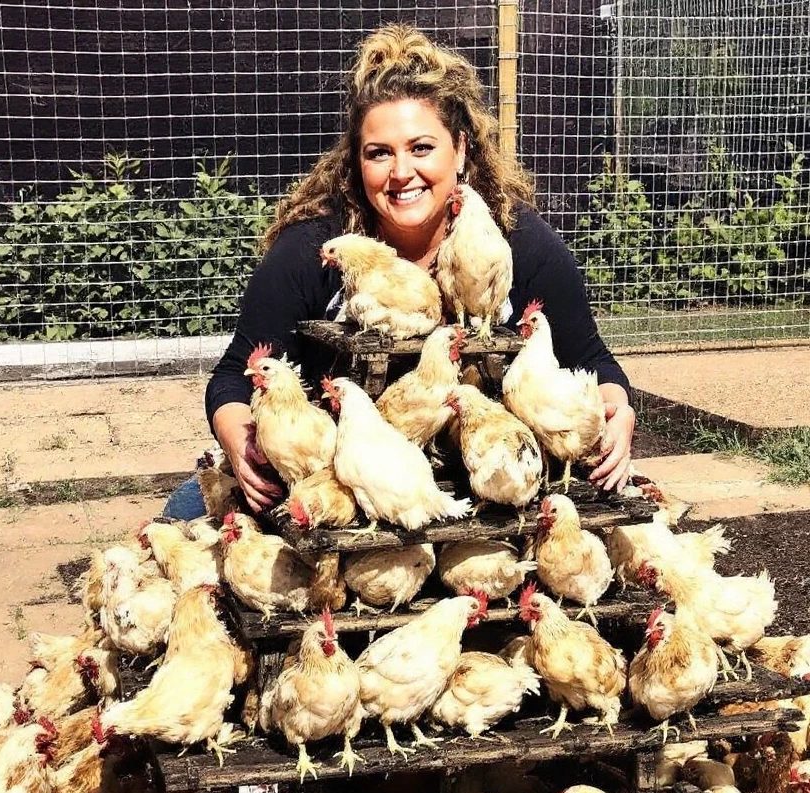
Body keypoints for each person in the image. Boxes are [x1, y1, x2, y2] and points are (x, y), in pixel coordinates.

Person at [164, 24, 635, 519]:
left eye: (421, 147)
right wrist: (242, 445)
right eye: (379, 153)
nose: (401, 172)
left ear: (461, 149)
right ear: (357, 162)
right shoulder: (314, 251)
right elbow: (233, 378)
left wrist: (617, 410)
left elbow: (593, 360)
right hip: (348, 487)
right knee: (183, 521)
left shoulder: (517, 243)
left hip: (485, 480)